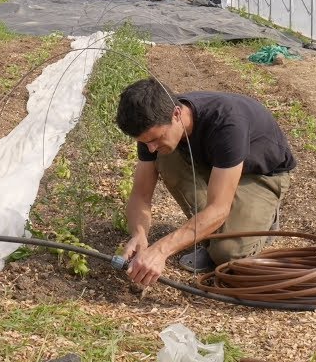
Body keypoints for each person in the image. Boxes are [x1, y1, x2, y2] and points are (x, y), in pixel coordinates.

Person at [114, 78, 295, 286]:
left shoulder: (226, 123)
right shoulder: (152, 131)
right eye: (145, 142)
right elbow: (140, 195)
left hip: (258, 175)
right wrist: (139, 234)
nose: (151, 147)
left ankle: (264, 220)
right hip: (215, 165)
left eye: (156, 138)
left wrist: (161, 249)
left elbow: (218, 209)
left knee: (228, 255)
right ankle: (214, 232)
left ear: (176, 114)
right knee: (164, 156)